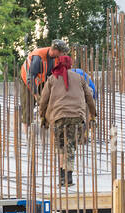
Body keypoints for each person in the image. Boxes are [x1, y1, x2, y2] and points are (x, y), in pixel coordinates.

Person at [38, 55, 96, 186]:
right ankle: (68, 177)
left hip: (58, 117)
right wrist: (93, 114)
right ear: (70, 64)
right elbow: (89, 97)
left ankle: (61, 177)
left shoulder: (52, 79)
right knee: (70, 147)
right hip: (77, 117)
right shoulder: (80, 78)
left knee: (60, 146)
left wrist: (42, 115)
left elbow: (43, 100)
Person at [17, 38, 70, 127]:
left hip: (41, 79)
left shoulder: (55, 58)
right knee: (28, 104)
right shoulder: (38, 57)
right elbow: (31, 77)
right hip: (28, 79)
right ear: (56, 50)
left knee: (47, 101)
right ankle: (26, 131)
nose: (64, 54)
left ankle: (45, 124)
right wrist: (36, 95)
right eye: (62, 52)